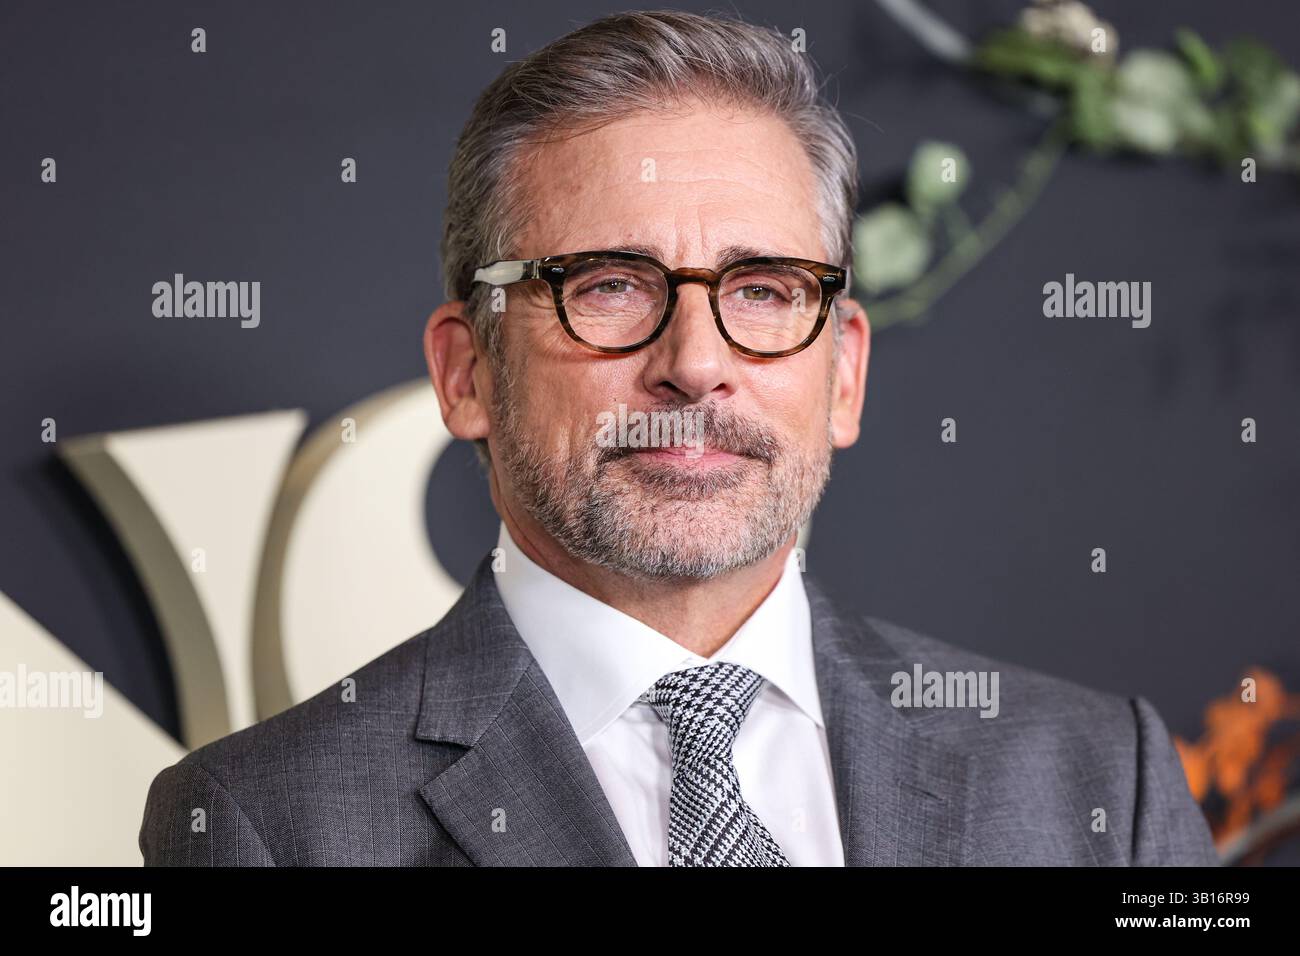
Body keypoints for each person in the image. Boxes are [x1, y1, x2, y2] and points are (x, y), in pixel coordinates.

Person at [140, 9, 1218, 866]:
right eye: (609, 285)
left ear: (842, 371)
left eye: (761, 288)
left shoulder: (1094, 780)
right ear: (466, 373)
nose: (695, 361)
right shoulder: (265, 828)